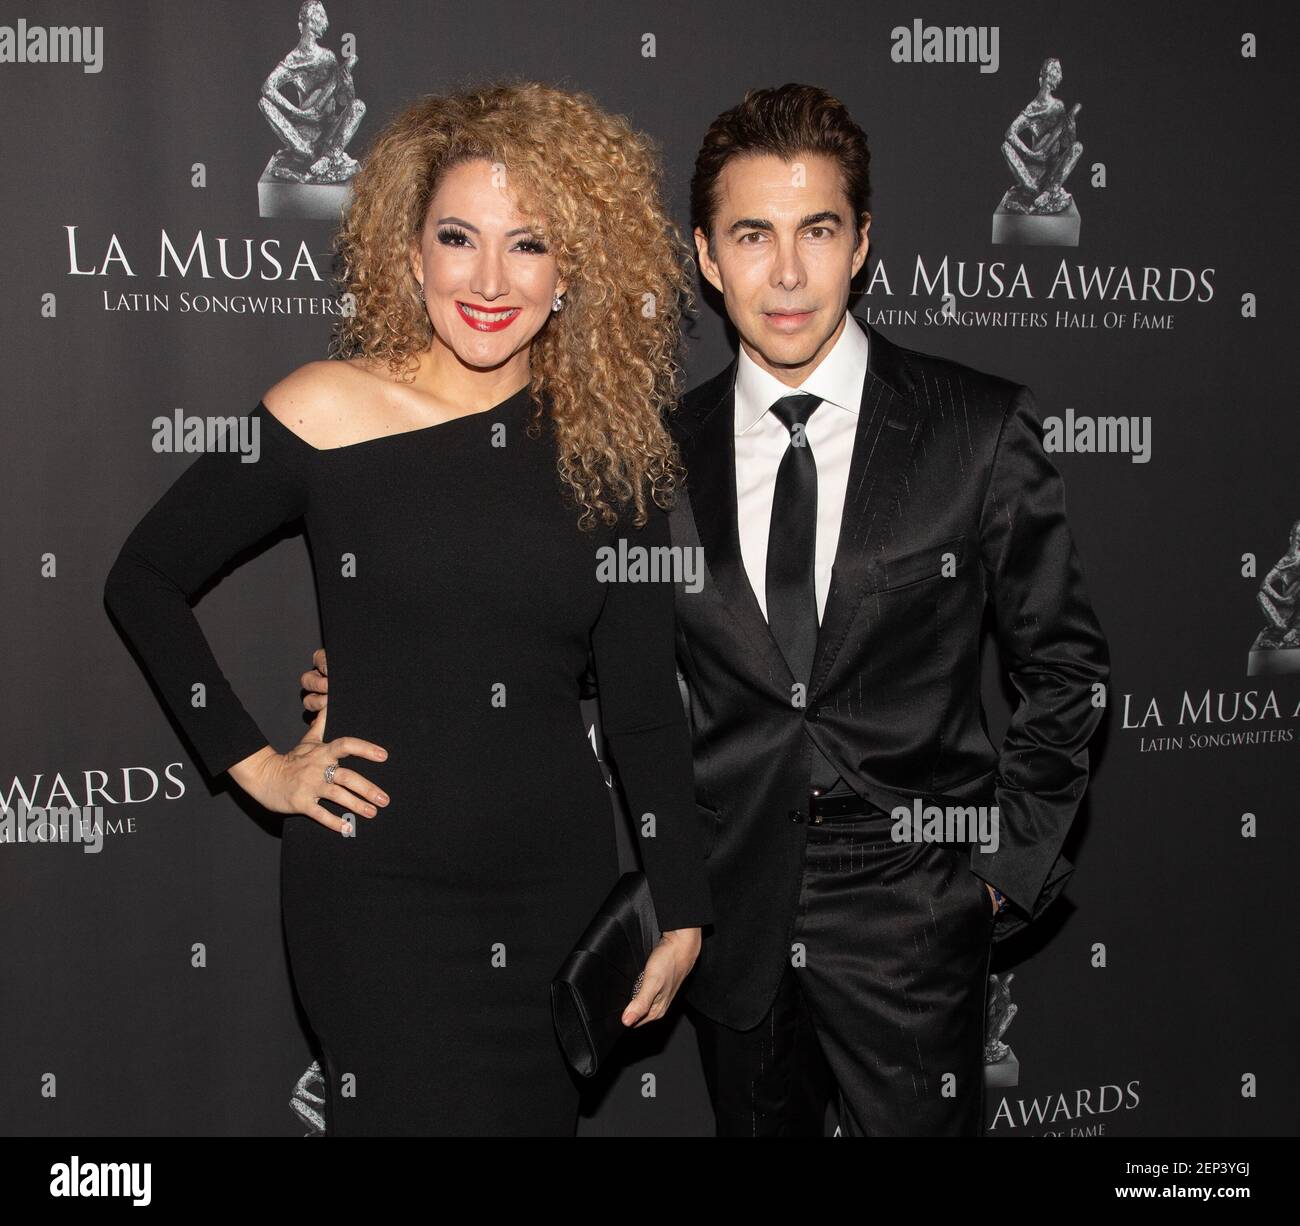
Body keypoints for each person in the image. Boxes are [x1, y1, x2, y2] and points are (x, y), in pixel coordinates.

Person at [302, 82, 1111, 1138]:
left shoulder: (976, 430)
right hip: (733, 913)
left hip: (913, 910)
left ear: (861, 242)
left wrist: (996, 875)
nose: (785, 274)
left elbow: (1067, 670)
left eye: (816, 231)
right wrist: (396, 667)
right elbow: (578, 651)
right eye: (751, 235)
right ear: (704, 253)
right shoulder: (646, 458)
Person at [103, 81, 712, 1137]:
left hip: (552, 898)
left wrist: (684, 903)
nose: (487, 279)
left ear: (572, 269)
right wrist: (258, 763)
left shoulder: (615, 454)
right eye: (458, 237)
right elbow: (144, 578)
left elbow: (646, 707)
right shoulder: (324, 408)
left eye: (528, 244)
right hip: (378, 897)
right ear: (411, 252)